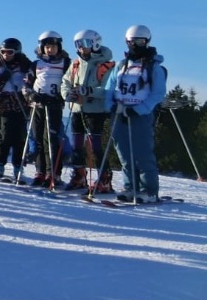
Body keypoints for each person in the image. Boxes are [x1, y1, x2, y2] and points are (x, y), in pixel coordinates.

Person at [104, 24, 167, 203]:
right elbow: (110, 87)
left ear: (146, 42)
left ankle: (149, 190)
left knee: (142, 153)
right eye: (131, 41)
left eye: (139, 41)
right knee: (124, 154)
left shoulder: (153, 66)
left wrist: (139, 109)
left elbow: (158, 93)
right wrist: (111, 105)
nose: (135, 45)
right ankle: (130, 186)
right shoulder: (122, 65)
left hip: (139, 114)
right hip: (120, 113)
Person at [60, 29, 115, 193]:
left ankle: (104, 179)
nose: (82, 48)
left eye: (86, 44)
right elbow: (66, 81)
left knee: (95, 146)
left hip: (95, 110)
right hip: (77, 109)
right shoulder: (76, 63)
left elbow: (108, 89)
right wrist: (67, 94)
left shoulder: (105, 64)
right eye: (78, 44)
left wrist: (90, 91)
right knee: (76, 144)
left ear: (95, 43)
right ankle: (79, 175)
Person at [23, 30, 70, 187]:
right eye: (47, 47)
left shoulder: (65, 63)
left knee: (50, 138)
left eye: (53, 47)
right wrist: (31, 95)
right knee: (37, 139)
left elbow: (70, 83)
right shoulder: (36, 64)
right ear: (42, 48)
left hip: (54, 105)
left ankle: (54, 173)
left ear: (59, 47)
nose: (50, 50)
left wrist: (60, 97)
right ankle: (40, 172)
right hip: (37, 105)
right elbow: (26, 84)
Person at [0, 38, 32, 182]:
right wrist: (3, 77)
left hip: (22, 102)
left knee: (20, 137)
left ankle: (18, 165)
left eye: (10, 52)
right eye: (3, 52)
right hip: (6, 103)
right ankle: (0, 163)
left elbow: (32, 80)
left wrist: (27, 88)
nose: (6, 55)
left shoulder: (25, 65)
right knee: (5, 134)